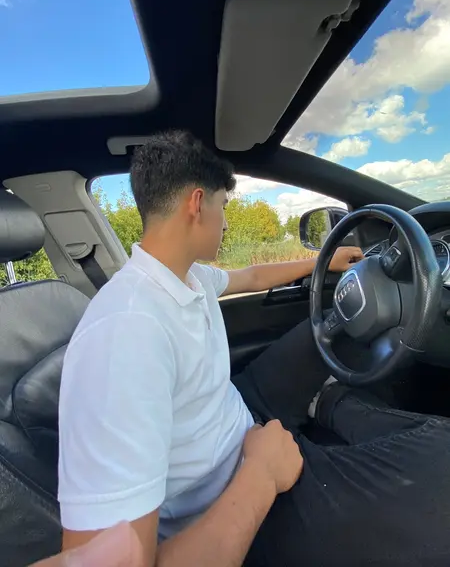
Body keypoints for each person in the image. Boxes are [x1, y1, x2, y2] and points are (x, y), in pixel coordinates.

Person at [58, 131, 450, 567]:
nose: (226, 223)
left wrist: (328, 258)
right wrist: (261, 473)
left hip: (238, 410)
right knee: (442, 458)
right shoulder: (125, 334)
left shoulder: (184, 276)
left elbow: (250, 277)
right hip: (230, 500)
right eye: (223, 206)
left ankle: (325, 404)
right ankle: (327, 408)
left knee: (331, 333)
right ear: (197, 203)